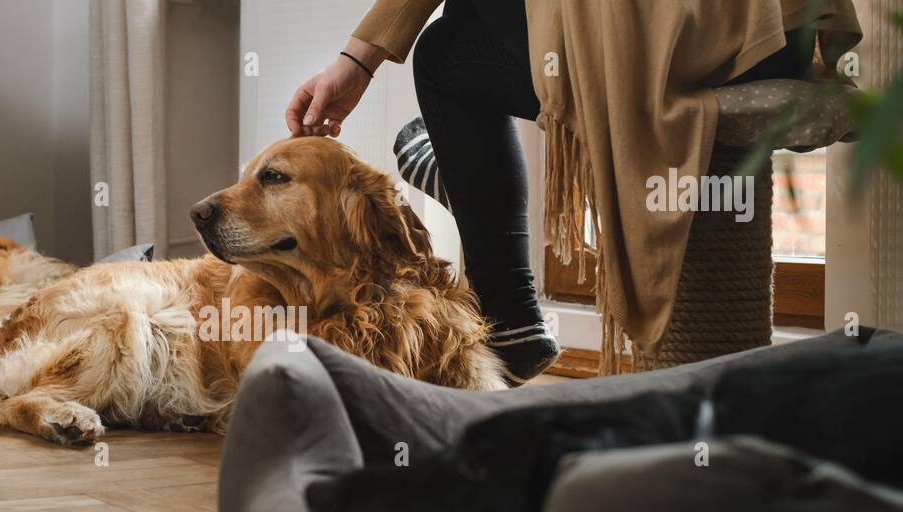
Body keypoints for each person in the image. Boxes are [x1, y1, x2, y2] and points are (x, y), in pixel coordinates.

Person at [286, 0, 858, 384]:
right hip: (783, 35)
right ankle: (469, 195)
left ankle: (508, 314)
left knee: (445, 48)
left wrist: (357, 60)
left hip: (686, 43)